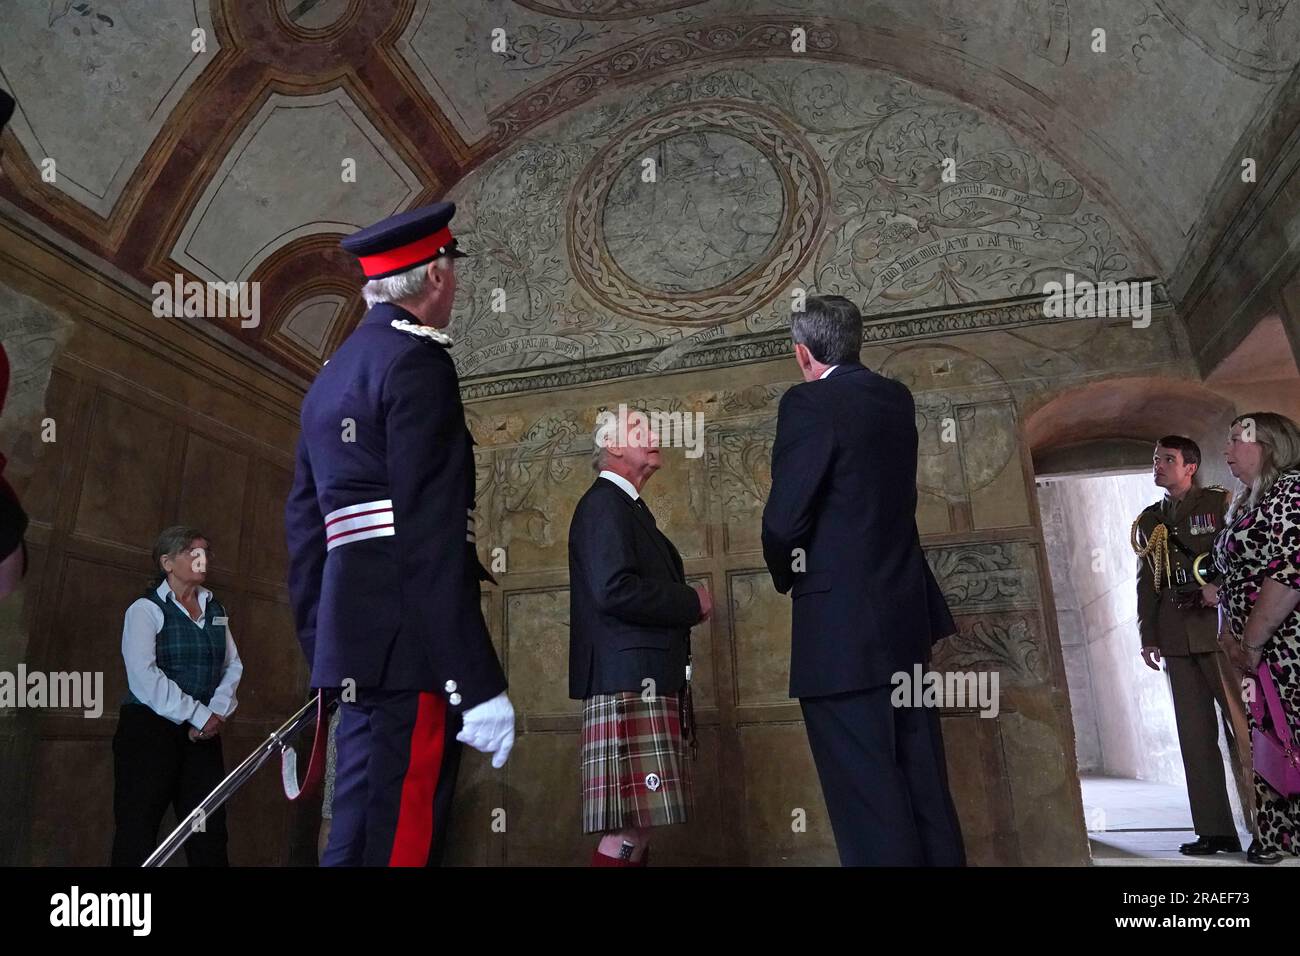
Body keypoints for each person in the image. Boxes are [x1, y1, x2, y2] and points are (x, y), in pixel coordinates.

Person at [286, 202, 515, 867]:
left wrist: (325, 647)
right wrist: (475, 682)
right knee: (399, 843)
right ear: (438, 275)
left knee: (354, 833)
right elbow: (429, 536)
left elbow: (306, 536)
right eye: (453, 272)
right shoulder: (417, 364)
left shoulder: (328, 381)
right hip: (410, 647)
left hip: (354, 648)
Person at [761, 294, 964, 866]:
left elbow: (784, 520)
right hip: (904, 619)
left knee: (867, 798)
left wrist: (790, 574)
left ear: (803, 353)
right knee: (923, 782)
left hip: (842, 633)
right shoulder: (895, 399)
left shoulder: (808, 403)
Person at [568, 407, 711, 866]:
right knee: (630, 824)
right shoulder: (604, 504)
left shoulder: (625, 507)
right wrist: (691, 603)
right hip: (627, 680)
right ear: (612, 446)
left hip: (638, 678)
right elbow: (614, 590)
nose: (654, 435)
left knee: (638, 822)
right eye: (638, 429)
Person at [1131, 436, 1251, 855]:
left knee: (1245, 729)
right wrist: (1149, 635)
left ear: (1190, 467)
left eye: (1168, 460)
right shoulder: (1150, 521)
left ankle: (1269, 824)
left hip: (1220, 632)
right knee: (1195, 737)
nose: (1159, 466)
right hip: (1177, 636)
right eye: (1155, 460)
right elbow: (1148, 582)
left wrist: (1220, 588)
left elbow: (1243, 556)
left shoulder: (1220, 504)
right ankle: (1215, 830)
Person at [111, 526, 242, 866]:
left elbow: (232, 665)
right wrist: (199, 714)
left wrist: (215, 714)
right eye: (192, 552)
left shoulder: (216, 609)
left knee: (207, 827)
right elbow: (144, 677)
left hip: (203, 736)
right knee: (139, 826)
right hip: (150, 733)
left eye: (205, 551)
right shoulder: (145, 609)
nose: (202, 558)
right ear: (167, 562)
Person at [1215, 411, 1300, 863]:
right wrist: (1231, 635)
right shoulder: (1246, 500)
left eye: (1236, 441)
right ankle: (1279, 836)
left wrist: (1251, 639)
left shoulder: (1293, 489)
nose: (1226, 451)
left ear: (1269, 444)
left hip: (1289, 644)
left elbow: (1292, 569)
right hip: (1259, 648)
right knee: (1271, 736)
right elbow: (1231, 579)